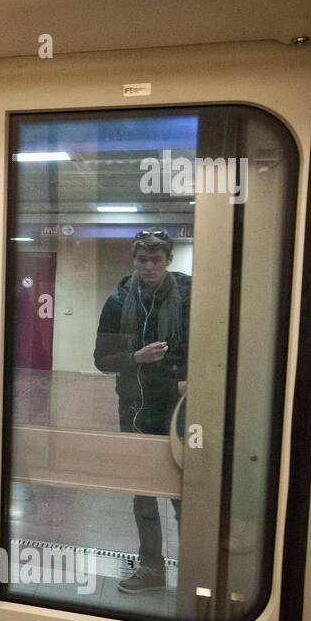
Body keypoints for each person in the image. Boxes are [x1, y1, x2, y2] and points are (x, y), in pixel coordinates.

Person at [93, 229, 191, 594]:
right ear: (133, 261)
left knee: (183, 491)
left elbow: (210, 352)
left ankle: (194, 568)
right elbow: (102, 359)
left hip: (177, 407)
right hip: (134, 406)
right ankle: (152, 569)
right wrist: (135, 358)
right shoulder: (117, 304)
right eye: (142, 260)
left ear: (168, 260)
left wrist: (186, 377)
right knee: (143, 492)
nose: (149, 267)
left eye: (156, 260)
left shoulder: (189, 299)